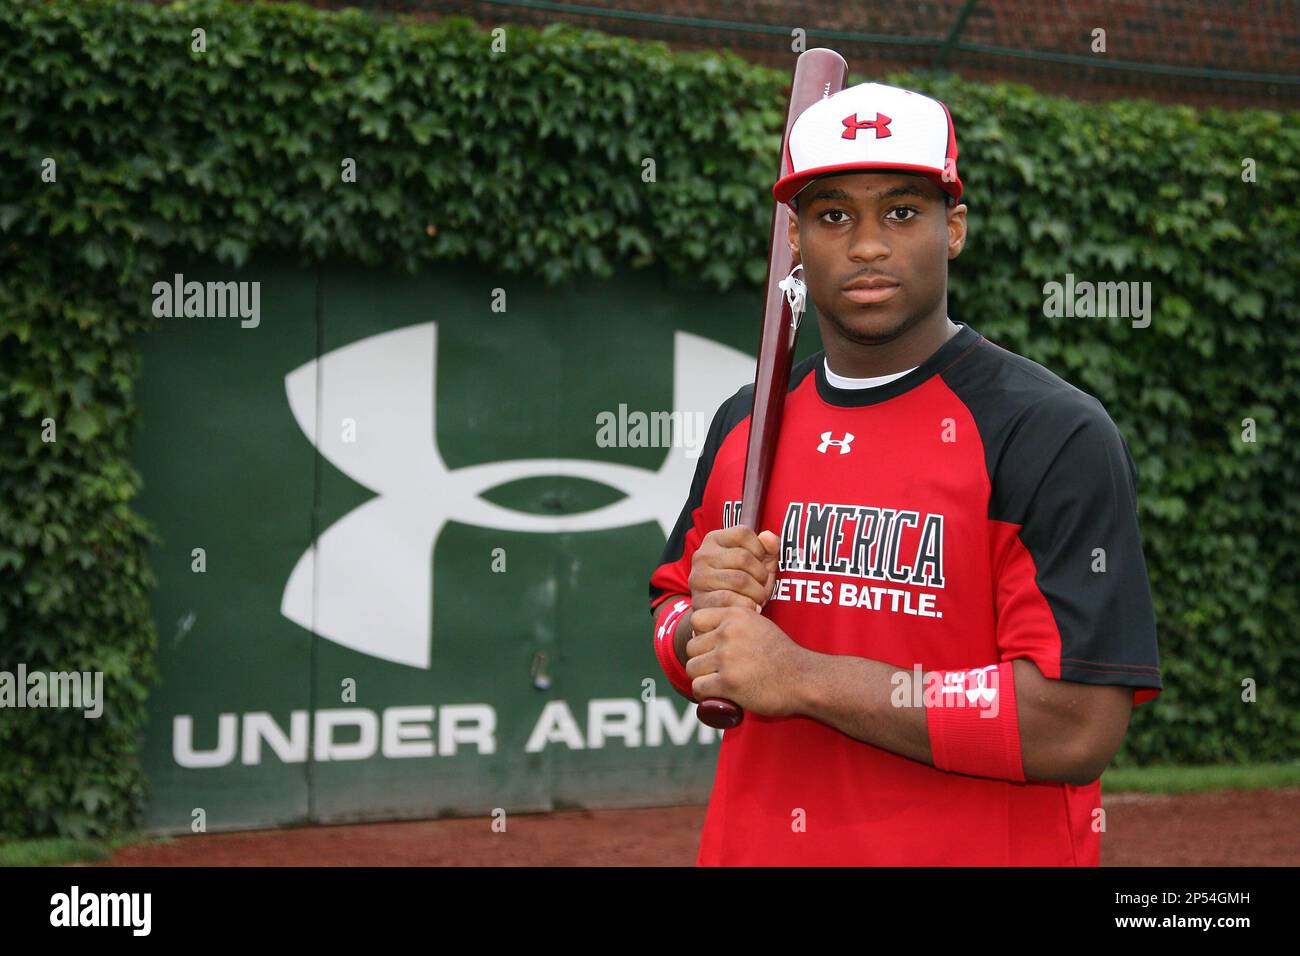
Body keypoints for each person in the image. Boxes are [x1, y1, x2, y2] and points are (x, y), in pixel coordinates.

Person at [646, 81, 1161, 866]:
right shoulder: (747, 423)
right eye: (832, 216)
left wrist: (805, 678)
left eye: (901, 212)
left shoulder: (1047, 433)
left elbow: (1076, 723)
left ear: (952, 228)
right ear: (794, 238)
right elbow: (671, 614)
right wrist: (701, 623)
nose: (867, 246)